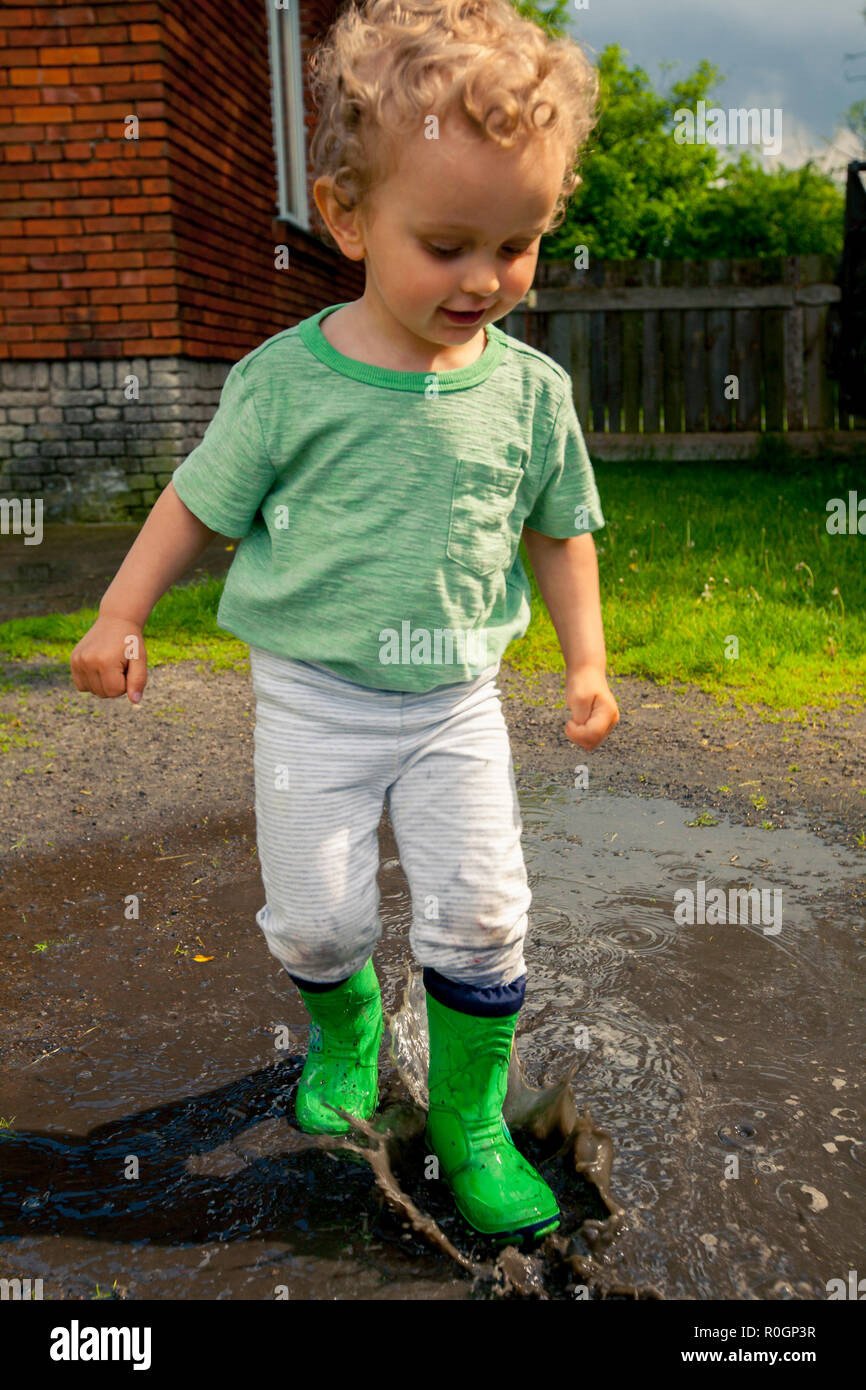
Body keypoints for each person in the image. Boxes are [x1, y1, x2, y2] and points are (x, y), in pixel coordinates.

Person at [70, 0, 619, 1248]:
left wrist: (584, 658)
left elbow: (558, 528)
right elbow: (195, 504)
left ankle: (473, 1118)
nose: (484, 279)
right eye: (446, 244)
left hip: (454, 707)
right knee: (315, 917)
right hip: (313, 703)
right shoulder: (283, 381)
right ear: (347, 215)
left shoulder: (532, 397)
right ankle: (345, 1028)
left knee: (480, 911)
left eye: (517, 243)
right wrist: (120, 607)